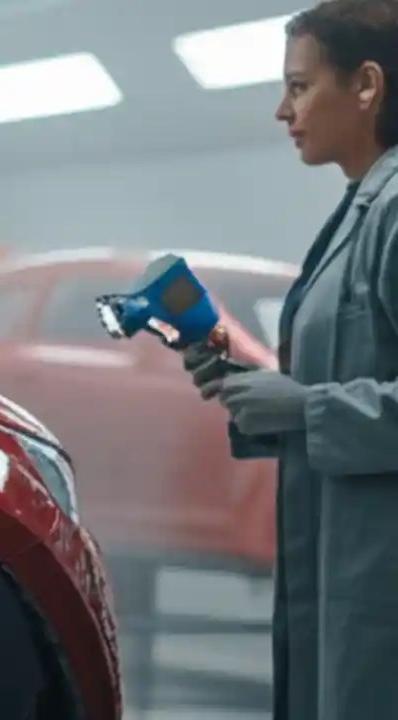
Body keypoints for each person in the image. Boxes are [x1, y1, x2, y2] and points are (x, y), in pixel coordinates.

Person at [183, 2, 398, 718]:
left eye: (300, 87)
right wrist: (258, 394)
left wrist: (307, 407)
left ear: (367, 85)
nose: (283, 111)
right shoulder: (362, 207)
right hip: (349, 567)